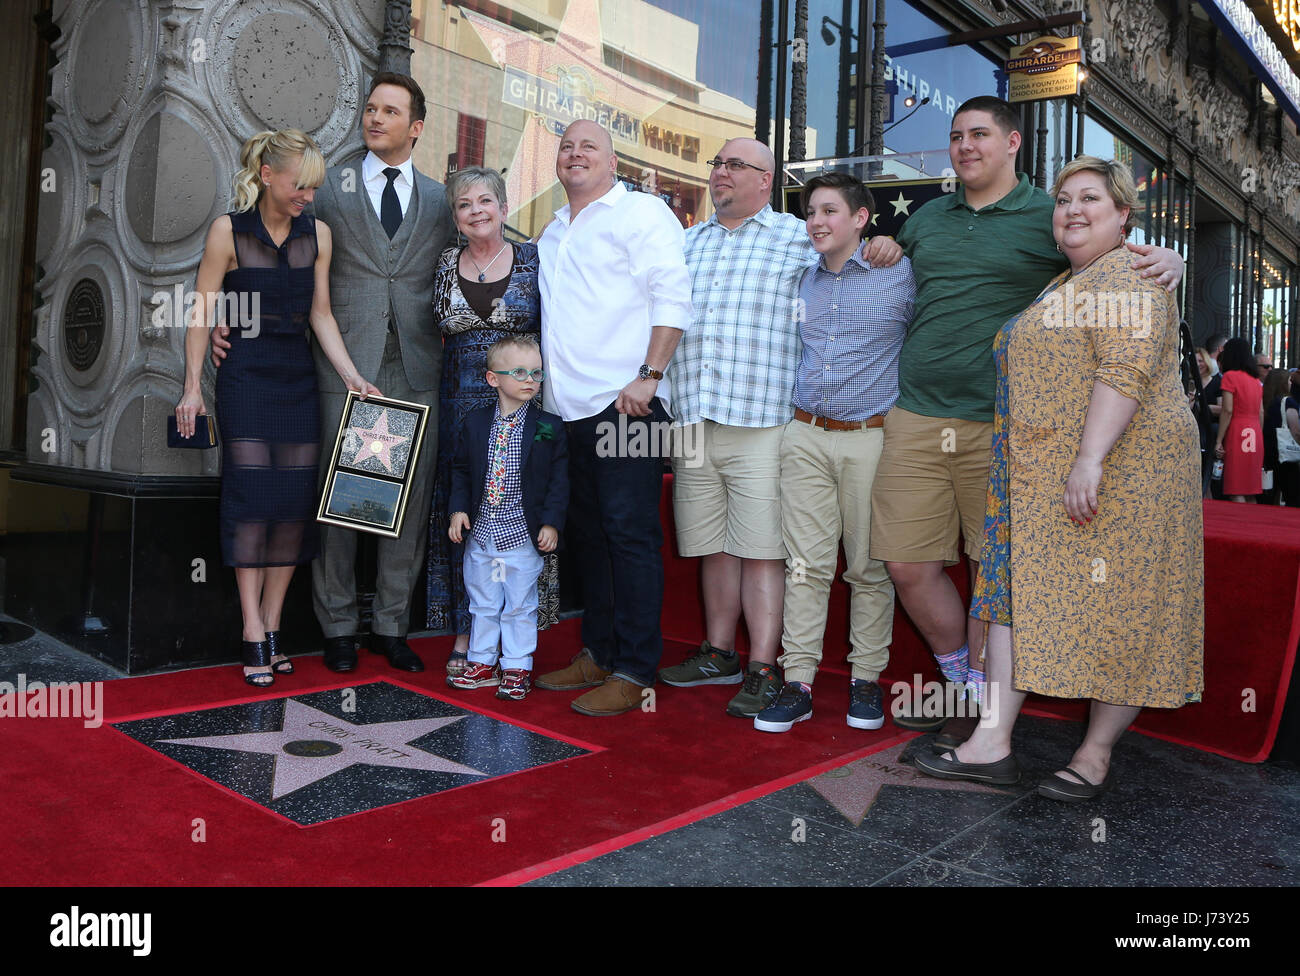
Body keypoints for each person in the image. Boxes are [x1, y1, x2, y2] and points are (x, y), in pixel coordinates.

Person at [868, 96, 1185, 746]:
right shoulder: (926, 218)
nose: (965, 146)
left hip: (1009, 429)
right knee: (906, 563)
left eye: (979, 134)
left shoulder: (1050, 215)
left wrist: (1174, 261)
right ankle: (966, 683)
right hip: (916, 414)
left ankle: (987, 715)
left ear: (1013, 143)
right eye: (956, 136)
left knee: (996, 574)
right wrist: (880, 245)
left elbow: (1106, 256)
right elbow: (895, 271)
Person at [914, 155, 1203, 800]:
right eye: (1064, 199)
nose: (1073, 209)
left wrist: (1090, 459)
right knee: (1018, 601)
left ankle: (1095, 754)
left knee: (1120, 608)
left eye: (1091, 199)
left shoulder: (1134, 277)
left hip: (1124, 477)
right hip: (1045, 479)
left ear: (1123, 215)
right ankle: (991, 744)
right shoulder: (1067, 283)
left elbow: (1123, 371)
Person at [216, 73, 455, 673]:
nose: (374, 119)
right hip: (340, 365)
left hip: (416, 366)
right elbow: (267, 255)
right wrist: (229, 318)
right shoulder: (325, 191)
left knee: (407, 498)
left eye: (390, 111)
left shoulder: (441, 199)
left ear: (416, 128)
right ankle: (339, 627)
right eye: (370, 108)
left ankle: (393, 626)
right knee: (336, 500)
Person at [176, 129, 379, 686]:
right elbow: (200, 314)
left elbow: (321, 315)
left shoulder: (319, 236)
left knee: (291, 506)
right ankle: (249, 627)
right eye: (299, 185)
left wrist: (352, 376)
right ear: (267, 175)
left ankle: (272, 625)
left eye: (313, 188)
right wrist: (193, 386)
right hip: (243, 380)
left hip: (297, 380)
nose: (307, 196)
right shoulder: (228, 232)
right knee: (250, 501)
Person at [533, 119, 693, 716]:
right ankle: (597, 652)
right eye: (566, 147)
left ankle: (635, 669)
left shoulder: (642, 214)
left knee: (629, 536)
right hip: (565, 409)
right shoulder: (553, 230)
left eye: (588, 147)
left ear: (613, 161)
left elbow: (673, 295)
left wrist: (648, 378)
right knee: (588, 537)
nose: (576, 155)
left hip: (626, 406)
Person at [751, 172, 913, 733]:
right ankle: (797, 682)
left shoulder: (898, 273)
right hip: (804, 436)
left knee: (869, 567)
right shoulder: (801, 281)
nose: (817, 222)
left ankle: (866, 680)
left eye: (829, 212)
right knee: (805, 565)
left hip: (871, 438)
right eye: (810, 213)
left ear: (862, 219)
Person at [423, 166, 556, 678]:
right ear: (455, 216)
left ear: (503, 207)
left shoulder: (532, 258)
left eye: (485, 201)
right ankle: (469, 631)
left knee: (516, 510)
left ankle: (518, 640)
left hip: (520, 404)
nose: (476, 211)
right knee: (466, 517)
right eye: (464, 204)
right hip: (459, 403)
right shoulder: (443, 262)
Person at [447, 336, 569, 701]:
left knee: (519, 603)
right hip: (482, 535)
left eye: (536, 372)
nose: (530, 379)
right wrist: (457, 510)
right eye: (519, 372)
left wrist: (551, 521)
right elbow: (460, 471)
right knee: (482, 601)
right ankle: (482, 662)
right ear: (492, 379)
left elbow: (559, 478)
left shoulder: (547, 426)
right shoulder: (475, 423)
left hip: (521, 535)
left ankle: (517, 666)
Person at [1215, 337, 1264, 502]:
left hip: (1238, 431)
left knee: (1236, 487)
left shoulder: (1230, 376)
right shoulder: (1256, 381)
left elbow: (1227, 410)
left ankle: (1241, 525)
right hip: (1255, 432)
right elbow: (1261, 412)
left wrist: (1219, 440)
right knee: (1250, 488)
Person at [1261, 367, 1295, 505]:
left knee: (1269, 493)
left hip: (1268, 452)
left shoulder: (1264, 401)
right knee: (1291, 495)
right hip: (1285, 453)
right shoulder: (1287, 401)